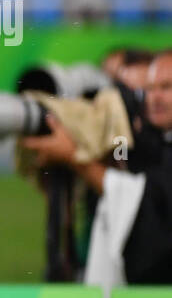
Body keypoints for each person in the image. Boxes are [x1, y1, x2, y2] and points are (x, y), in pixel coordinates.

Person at [23, 50, 172, 285]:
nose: (154, 98)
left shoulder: (155, 150)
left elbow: (147, 206)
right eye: (150, 89)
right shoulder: (144, 144)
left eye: (166, 87)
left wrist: (74, 157)